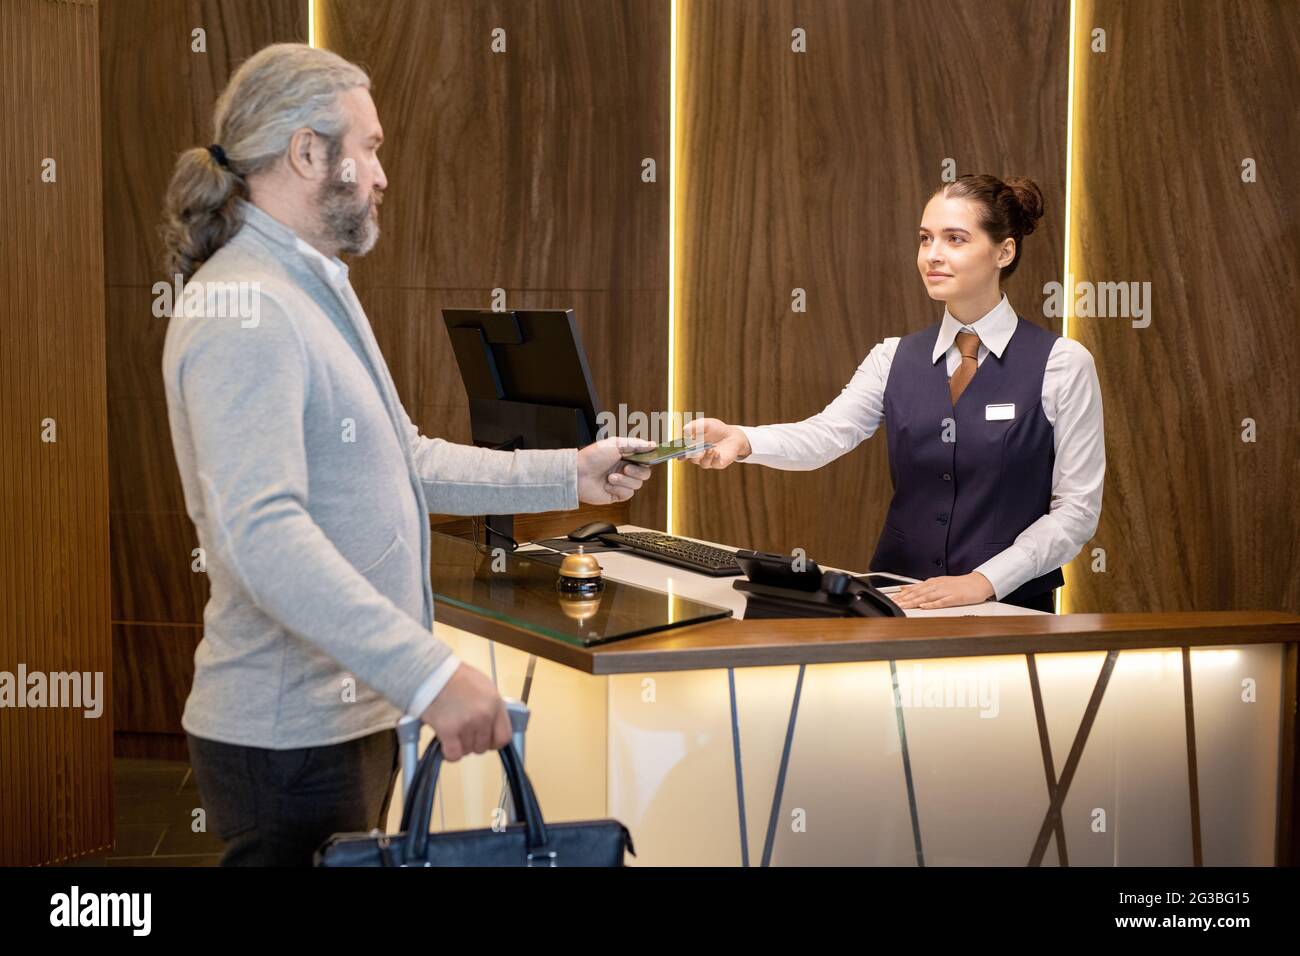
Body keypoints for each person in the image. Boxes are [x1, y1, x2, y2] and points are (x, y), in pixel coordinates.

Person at [158, 43, 654, 865]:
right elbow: (260, 536)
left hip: (347, 721)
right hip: (289, 746)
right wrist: (428, 674)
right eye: (372, 147)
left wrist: (570, 471)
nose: (383, 174)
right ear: (309, 152)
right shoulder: (246, 309)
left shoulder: (310, 287)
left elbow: (405, 458)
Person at [685, 174, 1104, 613]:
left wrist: (984, 582)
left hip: (1008, 608)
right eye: (925, 239)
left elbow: (1076, 511)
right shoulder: (892, 357)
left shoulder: (1062, 364)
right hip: (895, 599)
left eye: (955, 239)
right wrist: (744, 439)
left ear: (1005, 250)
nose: (932, 256)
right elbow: (827, 434)